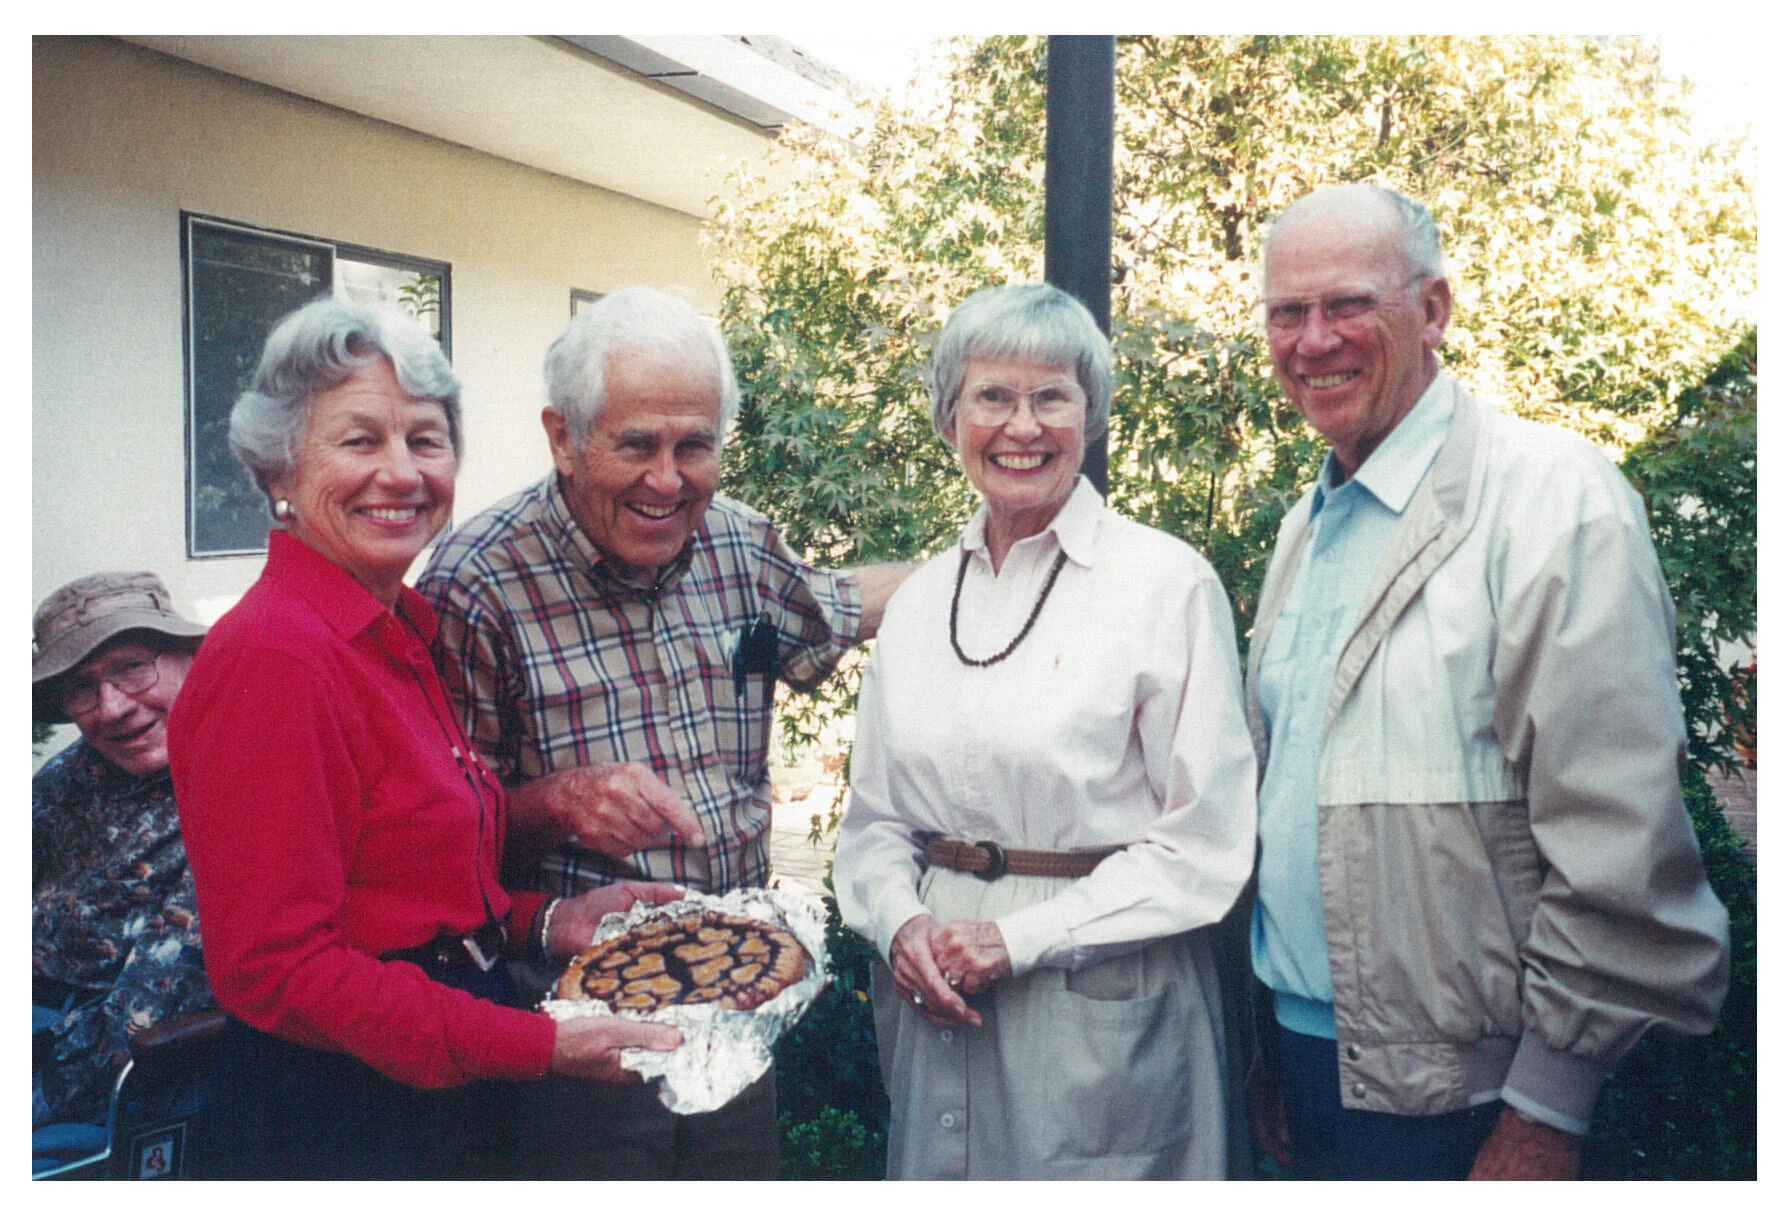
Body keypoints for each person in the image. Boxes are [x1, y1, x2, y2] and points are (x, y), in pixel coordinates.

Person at [1242, 182, 1731, 1180]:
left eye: (1347, 305)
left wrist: (1546, 1111)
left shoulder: (1553, 498)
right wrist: (1263, 1047)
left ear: (1432, 310)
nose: (1312, 340)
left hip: (1473, 1103)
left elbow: (1619, 836)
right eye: (1286, 312)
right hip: (1306, 1067)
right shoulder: (1308, 524)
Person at [166, 297, 684, 1180]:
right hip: (338, 1121)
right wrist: (536, 1046)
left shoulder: (399, 630)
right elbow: (281, 970)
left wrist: (551, 921)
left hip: (437, 1089)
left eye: (426, 439)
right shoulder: (277, 656)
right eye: (359, 441)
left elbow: (407, 895)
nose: (400, 473)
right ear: (278, 469)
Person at [416, 286, 912, 1179]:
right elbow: (431, 844)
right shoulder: (478, 584)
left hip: (738, 999)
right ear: (562, 437)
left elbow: (845, 606)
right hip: (571, 1035)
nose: (667, 479)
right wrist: (557, 803)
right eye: (636, 444)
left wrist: (1013, 547)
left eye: (696, 446)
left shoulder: (740, 547)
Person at [831, 284, 1259, 1179]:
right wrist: (902, 921)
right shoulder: (917, 608)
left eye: (1051, 397)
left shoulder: (1165, 586)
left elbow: (1207, 846)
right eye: (992, 397)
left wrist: (1017, 940)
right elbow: (873, 822)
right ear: (951, 416)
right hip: (931, 989)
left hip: (1100, 989)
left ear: (1090, 415)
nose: (1020, 426)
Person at [31, 571, 213, 1170]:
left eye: (132, 666)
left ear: (189, 657)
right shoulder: (71, 775)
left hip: (92, 1088)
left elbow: (138, 1022)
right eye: (80, 688)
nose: (111, 708)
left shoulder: (235, 791)